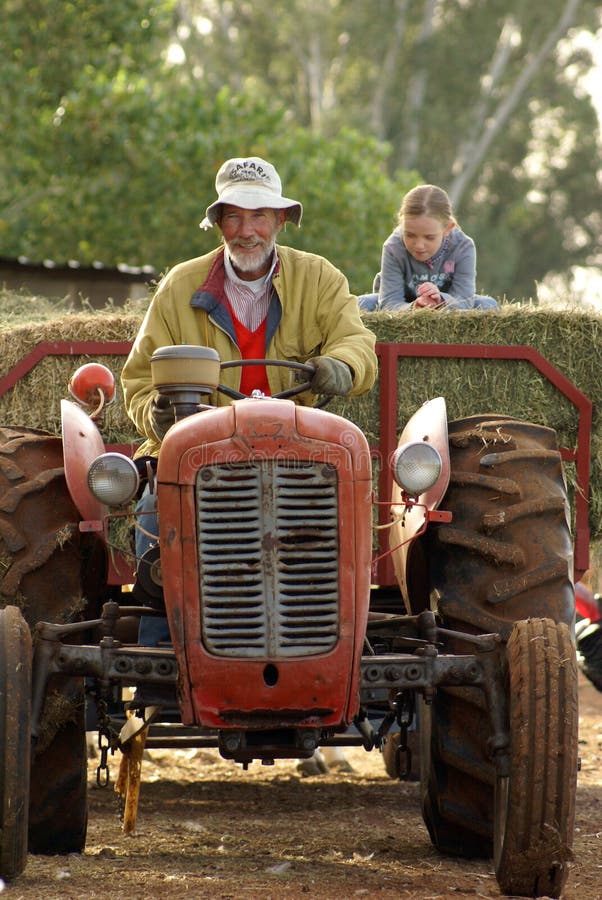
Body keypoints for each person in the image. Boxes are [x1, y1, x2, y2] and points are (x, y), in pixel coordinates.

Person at [121, 155, 378, 648]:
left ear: (281, 220)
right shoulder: (180, 286)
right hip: (201, 455)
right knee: (157, 513)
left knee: (340, 520)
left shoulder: (320, 279)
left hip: (298, 453)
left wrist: (340, 367)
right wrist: (157, 414)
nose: (247, 231)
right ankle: (161, 661)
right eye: (234, 216)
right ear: (218, 223)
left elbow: (355, 340)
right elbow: (139, 378)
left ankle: (340, 650)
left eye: (259, 215)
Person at [358, 184, 498, 312]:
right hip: (404, 304)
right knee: (361, 303)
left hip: (449, 303)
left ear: (447, 229)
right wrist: (414, 307)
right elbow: (389, 302)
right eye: (410, 235)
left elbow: (464, 301)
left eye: (429, 237)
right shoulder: (393, 247)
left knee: (489, 305)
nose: (418, 245)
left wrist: (440, 300)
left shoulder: (463, 247)